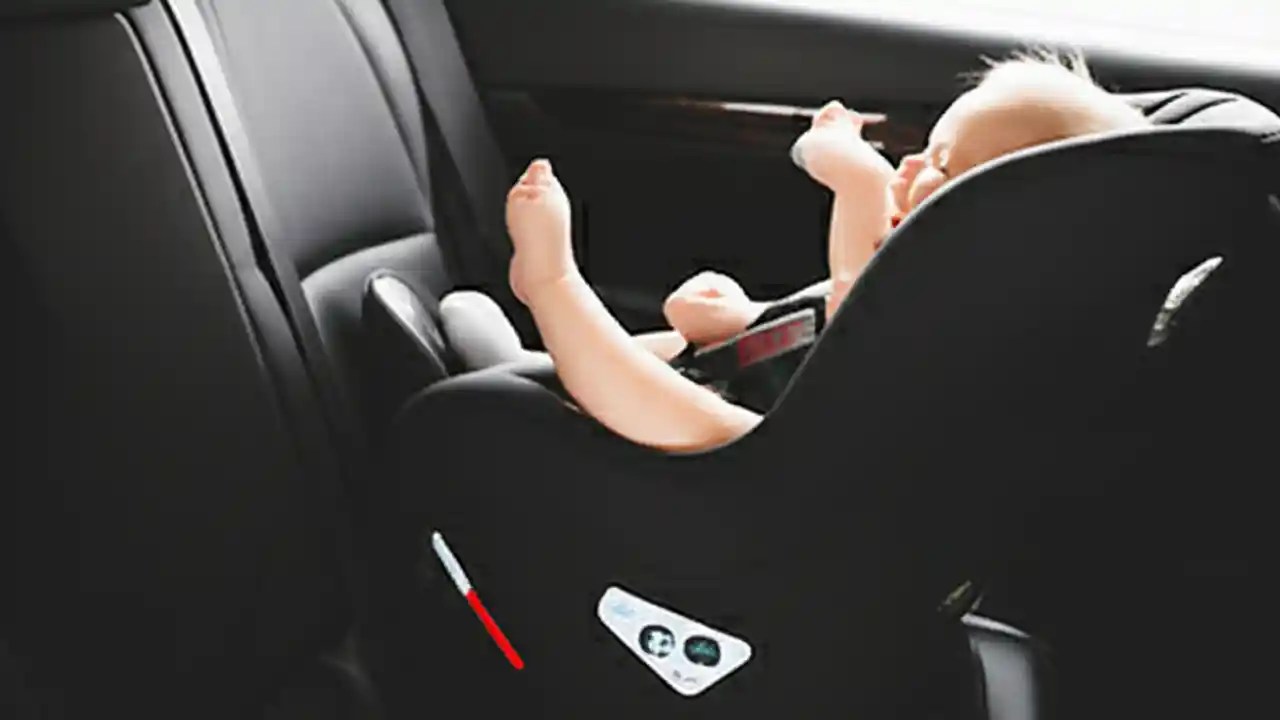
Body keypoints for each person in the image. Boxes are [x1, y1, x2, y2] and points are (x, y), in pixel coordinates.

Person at [499, 50, 1149, 452]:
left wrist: (858, 178)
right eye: (925, 146)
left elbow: (855, 296)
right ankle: (540, 368)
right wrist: (747, 320)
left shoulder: (965, 335)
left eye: (943, 165)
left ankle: (552, 288)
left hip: (753, 469)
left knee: (682, 414)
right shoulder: (957, 299)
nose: (910, 164)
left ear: (1012, 244)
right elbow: (832, 329)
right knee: (675, 351)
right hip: (784, 404)